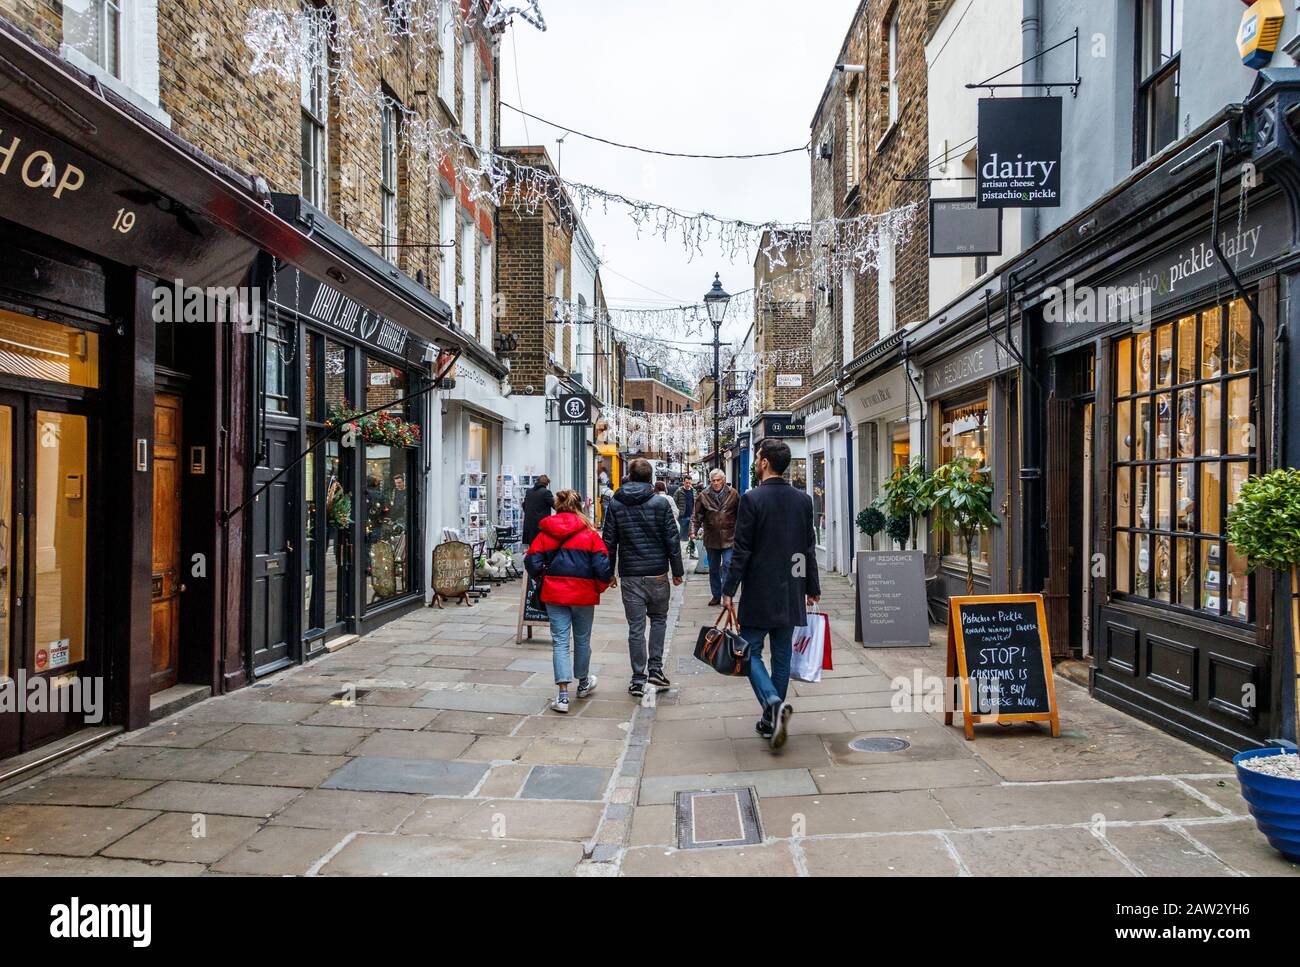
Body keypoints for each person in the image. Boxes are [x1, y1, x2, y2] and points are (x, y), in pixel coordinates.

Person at [721, 438, 820, 751]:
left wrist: (728, 589)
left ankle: (773, 703)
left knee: (749, 650)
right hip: (791, 586)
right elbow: (806, 548)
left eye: (758, 456)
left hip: (760, 588)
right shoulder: (803, 500)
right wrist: (810, 586)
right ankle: (770, 719)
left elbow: (743, 550)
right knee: (781, 655)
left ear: (763, 462)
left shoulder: (752, 499)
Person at [524, 490, 612, 714]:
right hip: (583, 595)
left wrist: (543, 578)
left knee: (560, 642)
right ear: (579, 506)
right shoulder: (591, 534)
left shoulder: (546, 532)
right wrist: (598, 587)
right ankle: (583, 682)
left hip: (555, 594)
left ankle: (562, 696)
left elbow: (532, 561)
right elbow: (603, 567)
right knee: (582, 640)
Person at [602, 458, 684, 697]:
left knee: (636, 628)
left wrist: (609, 573)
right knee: (659, 620)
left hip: (630, 575)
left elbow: (609, 542)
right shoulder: (660, 504)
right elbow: (672, 541)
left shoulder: (616, 503)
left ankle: (638, 679)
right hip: (658, 573)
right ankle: (655, 670)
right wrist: (677, 571)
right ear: (650, 478)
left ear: (629, 475)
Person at [691, 468, 739, 607]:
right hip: (711, 538)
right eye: (713, 481)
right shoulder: (703, 495)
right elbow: (696, 515)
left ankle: (726, 595)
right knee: (713, 568)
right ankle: (716, 595)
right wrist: (693, 531)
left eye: (718, 480)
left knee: (728, 565)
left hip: (729, 536)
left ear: (723, 480)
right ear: (710, 481)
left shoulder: (733, 494)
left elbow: (741, 513)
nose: (716, 483)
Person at [521, 474, 554, 545]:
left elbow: (524, 505)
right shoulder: (546, 492)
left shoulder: (529, 492)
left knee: (531, 550)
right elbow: (556, 505)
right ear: (547, 483)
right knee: (541, 550)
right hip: (539, 528)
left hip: (528, 527)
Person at [674, 476, 697, 556]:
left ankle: (692, 551)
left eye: (690, 483)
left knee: (692, 535)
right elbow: (674, 502)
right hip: (682, 516)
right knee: (681, 536)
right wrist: (678, 511)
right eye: (686, 482)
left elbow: (696, 502)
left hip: (692, 517)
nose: (688, 484)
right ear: (683, 482)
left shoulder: (694, 491)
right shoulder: (679, 491)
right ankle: (680, 552)